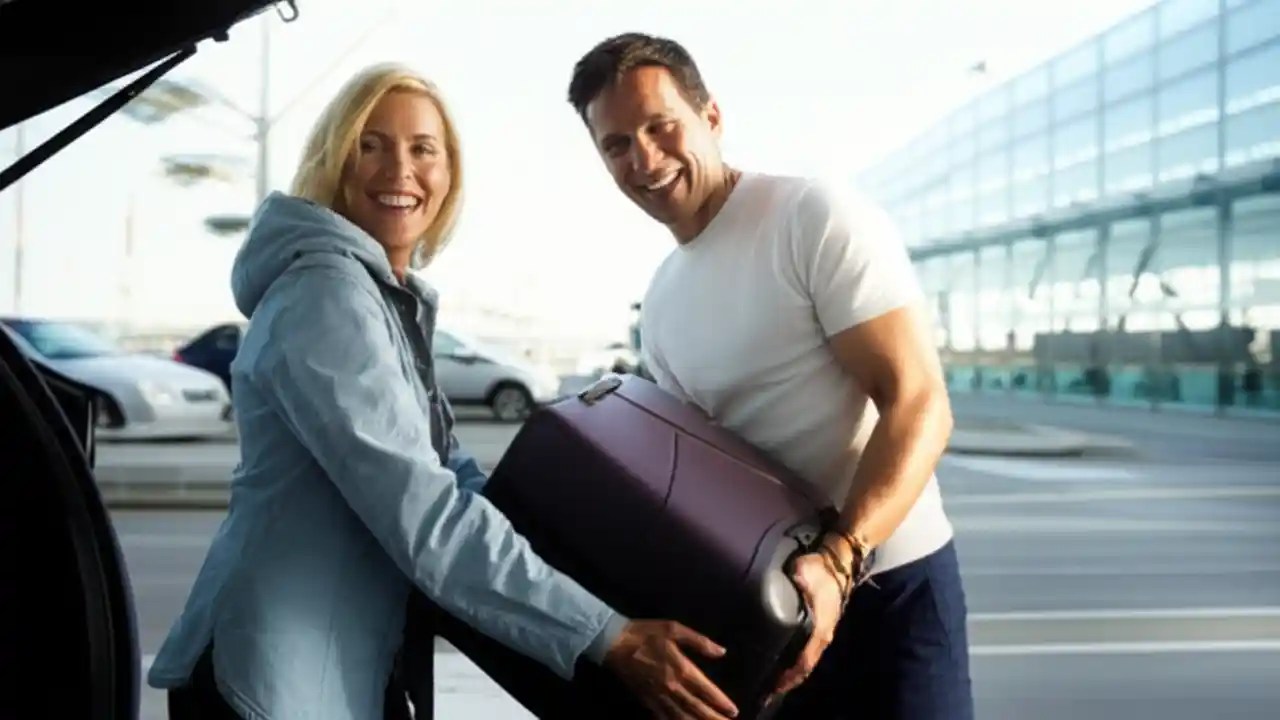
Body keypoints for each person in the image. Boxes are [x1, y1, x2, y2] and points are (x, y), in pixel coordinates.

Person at [147, 62, 739, 720]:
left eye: (422, 149)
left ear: (449, 172)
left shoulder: (383, 298)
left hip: (339, 668)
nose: (399, 171)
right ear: (331, 159)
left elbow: (454, 477)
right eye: (370, 145)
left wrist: (600, 558)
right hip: (272, 680)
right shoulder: (327, 298)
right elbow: (424, 515)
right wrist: (606, 635)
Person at [566, 33, 974, 719]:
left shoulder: (811, 217)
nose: (644, 158)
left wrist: (841, 558)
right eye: (616, 145)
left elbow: (921, 405)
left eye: (661, 127)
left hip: (889, 585)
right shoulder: (662, 299)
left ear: (712, 117)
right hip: (775, 614)